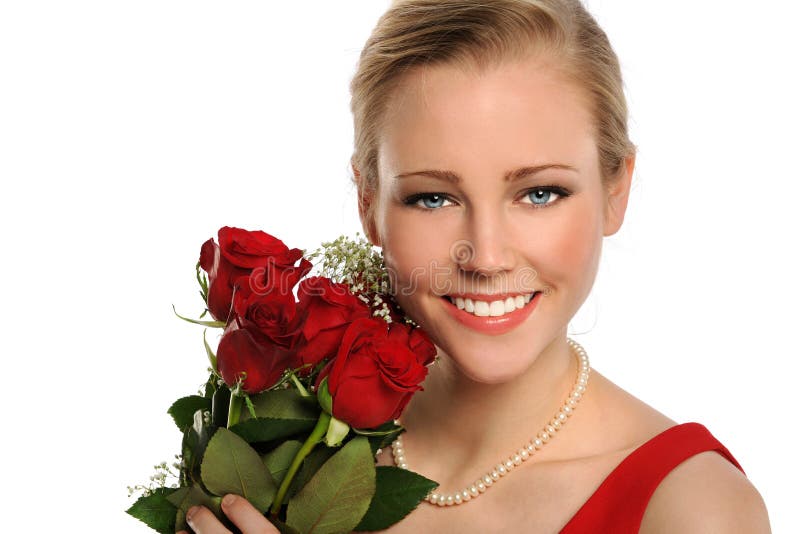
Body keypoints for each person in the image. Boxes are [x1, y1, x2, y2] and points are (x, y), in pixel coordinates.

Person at [181, 0, 772, 532]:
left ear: (616, 190)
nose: (486, 258)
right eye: (433, 198)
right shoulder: (279, 448)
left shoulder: (693, 510)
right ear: (368, 204)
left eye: (540, 193)